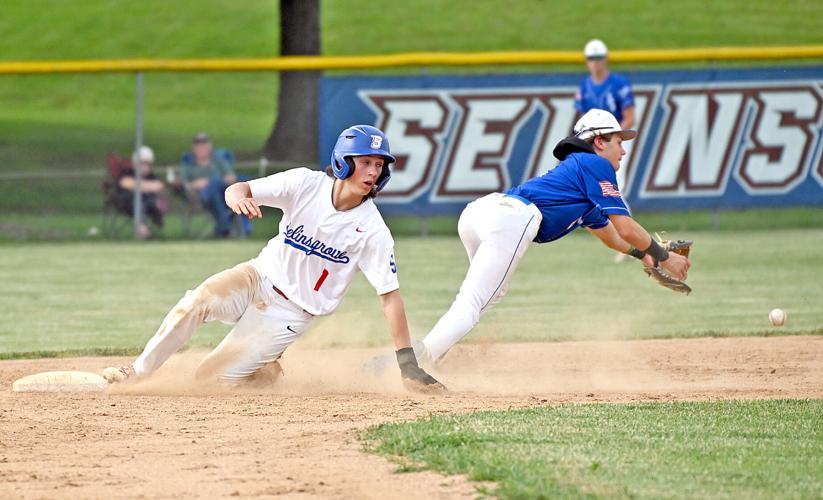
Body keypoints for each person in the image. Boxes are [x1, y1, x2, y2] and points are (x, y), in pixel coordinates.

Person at [102, 125, 445, 393]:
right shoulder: (305, 184)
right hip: (257, 277)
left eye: (379, 165)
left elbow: (390, 297)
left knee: (207, 381)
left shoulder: (372, 231)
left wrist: (407, 363)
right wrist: (237, 199)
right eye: (365, 162)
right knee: (196, 302)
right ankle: (137, 371)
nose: (373, 171)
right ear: (344, 160)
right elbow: (238, 189)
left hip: (289, 313)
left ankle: (264, 371)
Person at [366, 109, 690, 370]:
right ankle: (413, 361)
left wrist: (643, 255)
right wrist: (665, 257)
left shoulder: (580, 182)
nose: (624, 149)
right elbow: (627, 226)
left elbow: (614, 236)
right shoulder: (594, 163)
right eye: (618, 141)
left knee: (485, 297)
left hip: (481, 213)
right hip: (513, 218)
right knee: (474, 302)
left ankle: (430, 351)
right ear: (599, 141)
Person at [575, 39, 637, 261]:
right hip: (596, 144)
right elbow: (583, 119)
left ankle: (631, 239)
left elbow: (629, 116)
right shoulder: (584, 86)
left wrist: (615, 139)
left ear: (606, 59)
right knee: (603, 189)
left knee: (615, 188)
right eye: (591, 58)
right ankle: (628, 240)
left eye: (599, 58)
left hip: (615, 142)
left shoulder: (618, 83)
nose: (595, 62)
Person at [180, 132, 252, 237]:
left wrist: (212, 182)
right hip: (199, 199)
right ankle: (227, 229)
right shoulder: (189, 165)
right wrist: (196, 184)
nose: (202, 148)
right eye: (198, 146)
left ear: (210, 146)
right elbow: (184, 184)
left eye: (204, 145)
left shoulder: (218, 161)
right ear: (194, 148)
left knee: (217, 189)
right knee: (216, 194)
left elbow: (231, 177)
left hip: (223, 194)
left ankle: (225, 229)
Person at [109, 146, 168, 239]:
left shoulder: (151, 176)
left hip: (147, 203)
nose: (145, 166)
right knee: (138, 202)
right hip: (127, 203)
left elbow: (159, 185)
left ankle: (156, 219)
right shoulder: (127, 172)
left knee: (153, 202)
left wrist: (140, 186)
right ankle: (143, 230)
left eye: (148, 164)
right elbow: (126, 183)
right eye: (143, 163)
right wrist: (147, 186)